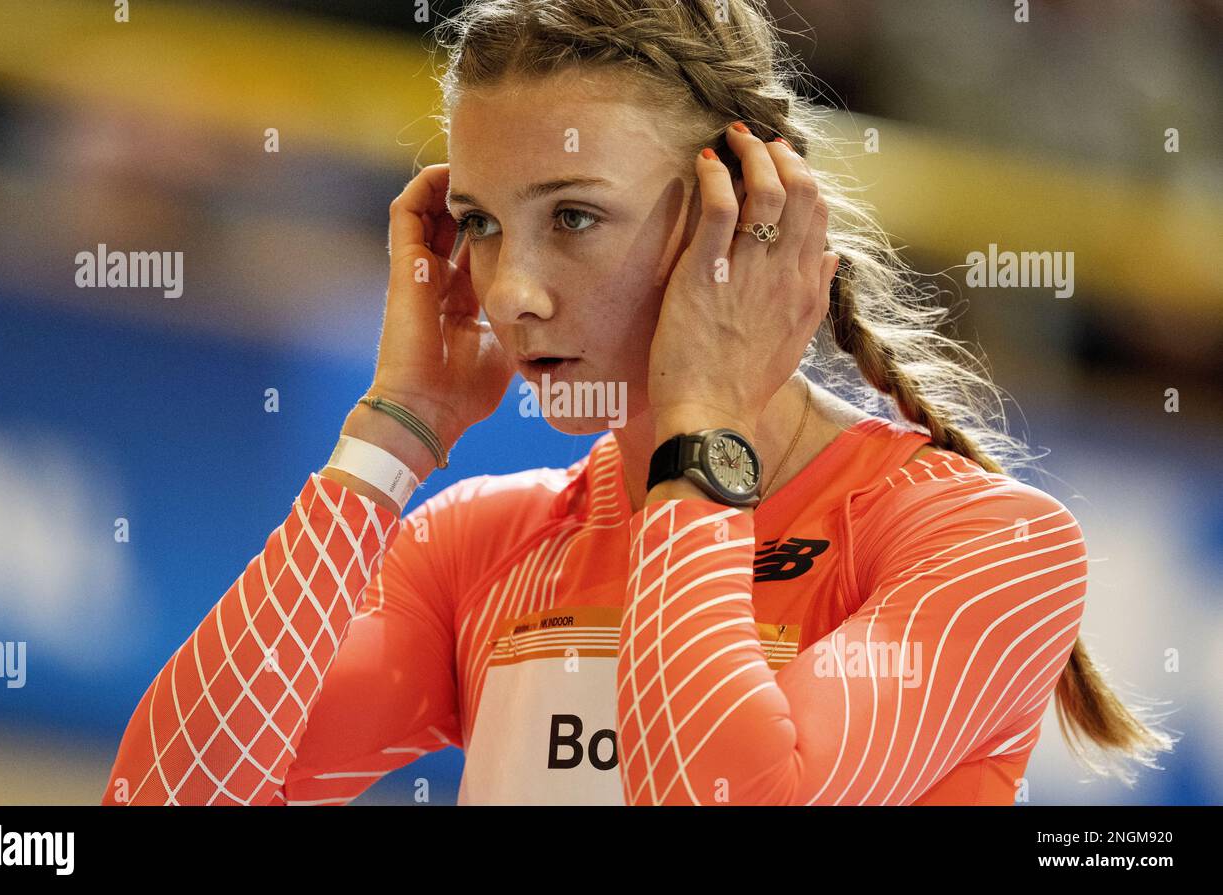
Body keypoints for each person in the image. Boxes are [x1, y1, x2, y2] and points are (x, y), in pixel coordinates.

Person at [101, 0, 1170, 806]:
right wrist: (392, 435)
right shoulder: (481, 543)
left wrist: (701, 428)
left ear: (743, 213)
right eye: (477, 222)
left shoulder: (979, 541)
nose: (509, 291)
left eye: (572, 216)